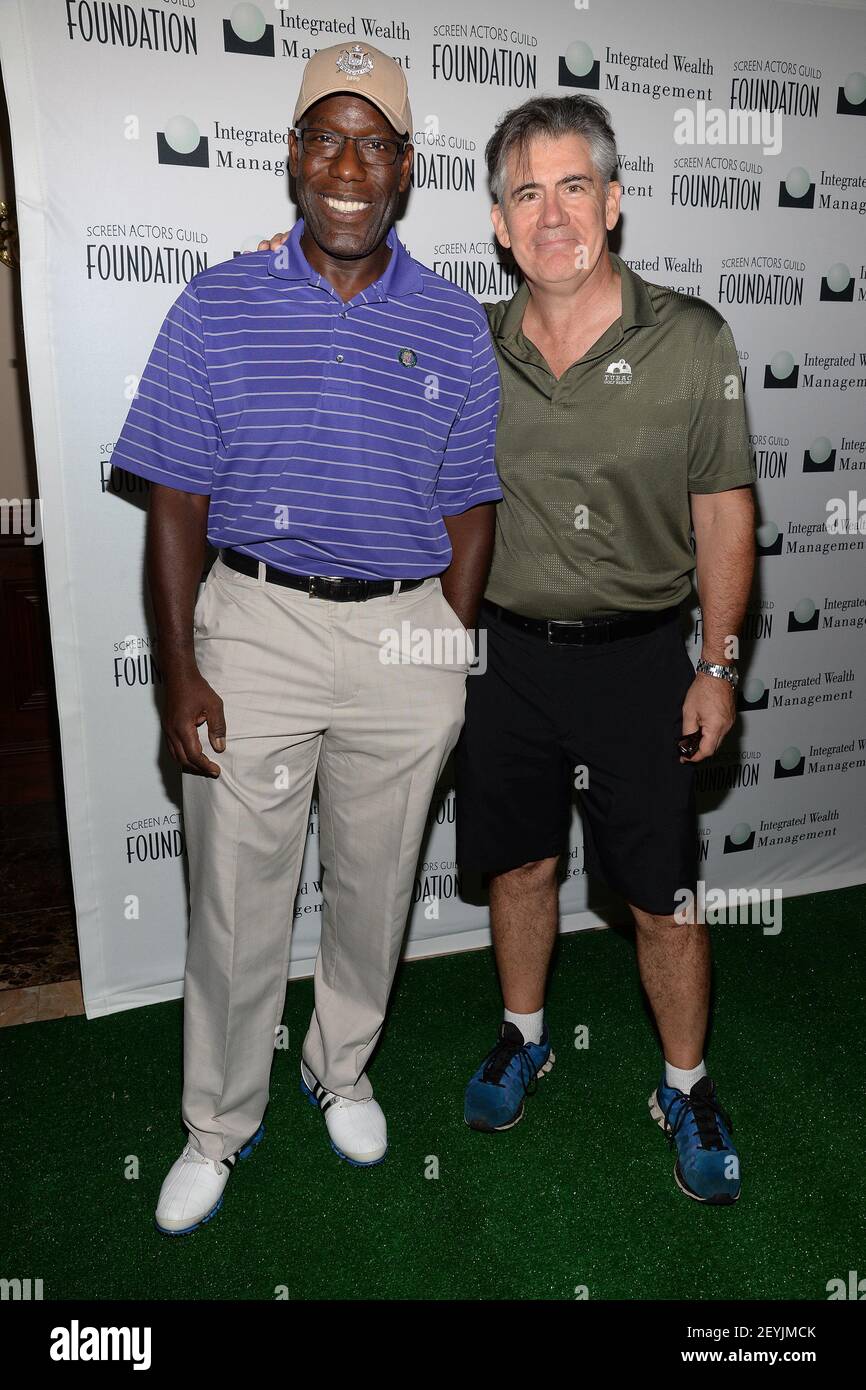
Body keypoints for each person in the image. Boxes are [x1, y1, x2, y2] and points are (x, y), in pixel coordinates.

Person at [259, 93, 756, 1206]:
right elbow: (347, 352)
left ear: (614, 203)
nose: (549, 213)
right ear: (495, 222)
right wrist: (282, 267)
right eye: (523, 192)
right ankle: (521, 1035)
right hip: (501, 659)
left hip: (641, 661)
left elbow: (724, 510)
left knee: (661, 896)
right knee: (520, 865)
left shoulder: (690, 339)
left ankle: (685, 1084)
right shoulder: (463, 342)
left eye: (572, 185)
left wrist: (717, 666)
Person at [113, 42, 501, 1235]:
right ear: (292, 157)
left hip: (402, 628)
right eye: (324, 138)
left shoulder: (448, 322)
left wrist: (448, 636)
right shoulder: (214, 301)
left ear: (403, 169)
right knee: (236, 899)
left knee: (377, 886)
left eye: (371, 144)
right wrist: (180, 666)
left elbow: (473, 500)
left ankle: (340, 1066)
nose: (346, 165)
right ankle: (216, 1125)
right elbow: (173, 496)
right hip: (257, 626)